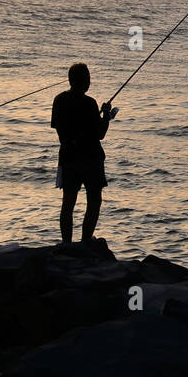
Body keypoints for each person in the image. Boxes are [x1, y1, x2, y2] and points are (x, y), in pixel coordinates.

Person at [51, 63, 117, 247]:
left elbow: (60, 131)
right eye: (88, 78)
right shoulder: (89, 103)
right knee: (94, 200)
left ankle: (66, 244)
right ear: (85, 81)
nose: (90, 81)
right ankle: (86, 240)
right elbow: (100, 134)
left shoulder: (59, 100)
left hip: (68, 157)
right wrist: (105, 116)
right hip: (90, 158)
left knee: (68, 202)